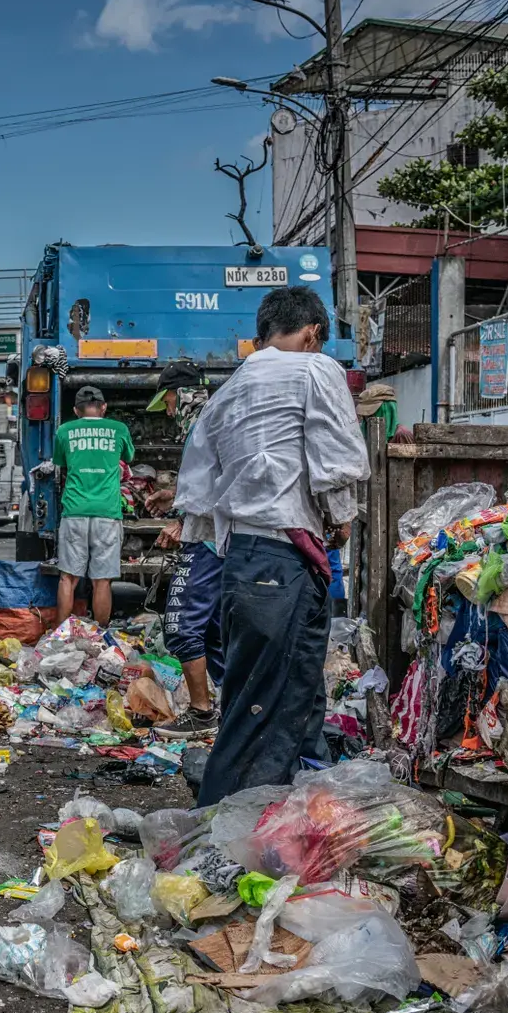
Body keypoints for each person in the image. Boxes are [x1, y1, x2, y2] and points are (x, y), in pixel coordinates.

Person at [176, 286, 368, 806]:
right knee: (265, 703)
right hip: (284, 557)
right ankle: (222, 819)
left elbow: (197, 487)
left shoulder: (230, 387)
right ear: (312, 333)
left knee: (289, 691)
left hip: (245, 558)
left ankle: (296, 803)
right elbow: (335, 457)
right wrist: (343, 519)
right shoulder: (315, 368)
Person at [48, 385, 133, 625]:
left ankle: (60, 634)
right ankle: (101, 635)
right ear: (104, 407)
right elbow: (128, 457)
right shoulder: (119, 429)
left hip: (74, 511)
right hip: (107, 512)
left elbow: (61, 462)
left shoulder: (64, 431)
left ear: (76, 410)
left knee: (68, 578)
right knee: (102, 580)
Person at [156, 523, 224, 739]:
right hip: (221, 540)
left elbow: (210, 490)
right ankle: (232, 708)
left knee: (181, 625)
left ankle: (201, 714)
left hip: (207, 539)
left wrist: (183, 521)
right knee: (216, 631)